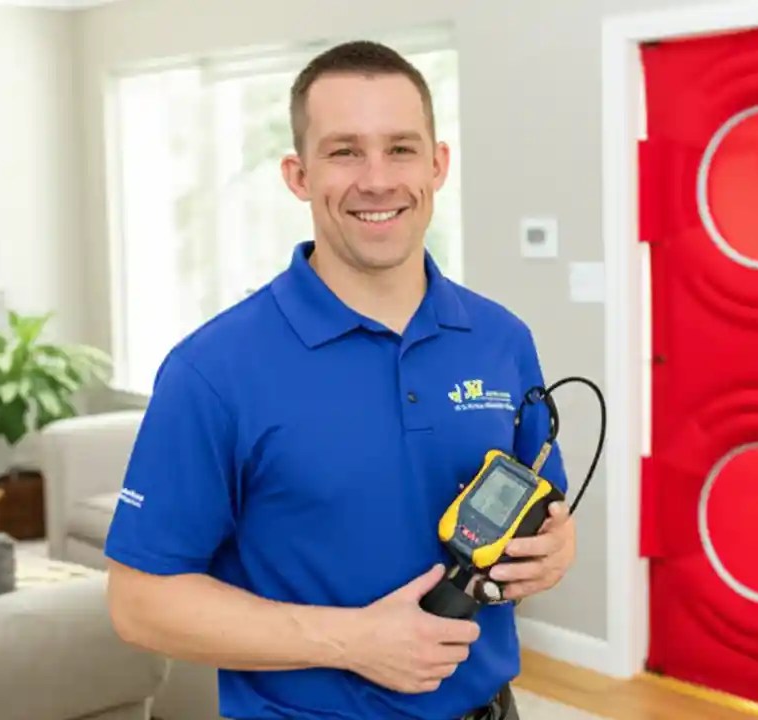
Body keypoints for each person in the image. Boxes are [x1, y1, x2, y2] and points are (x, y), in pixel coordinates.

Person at [102, 40, 575, 720]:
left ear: (438, 165)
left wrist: (554, 550)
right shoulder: (213, 369)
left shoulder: (502, 340)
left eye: (402, 149)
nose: (377, 179)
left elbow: (543, 508)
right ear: (298, 174)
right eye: (345, 151)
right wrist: (353, 641)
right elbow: (139, 603)